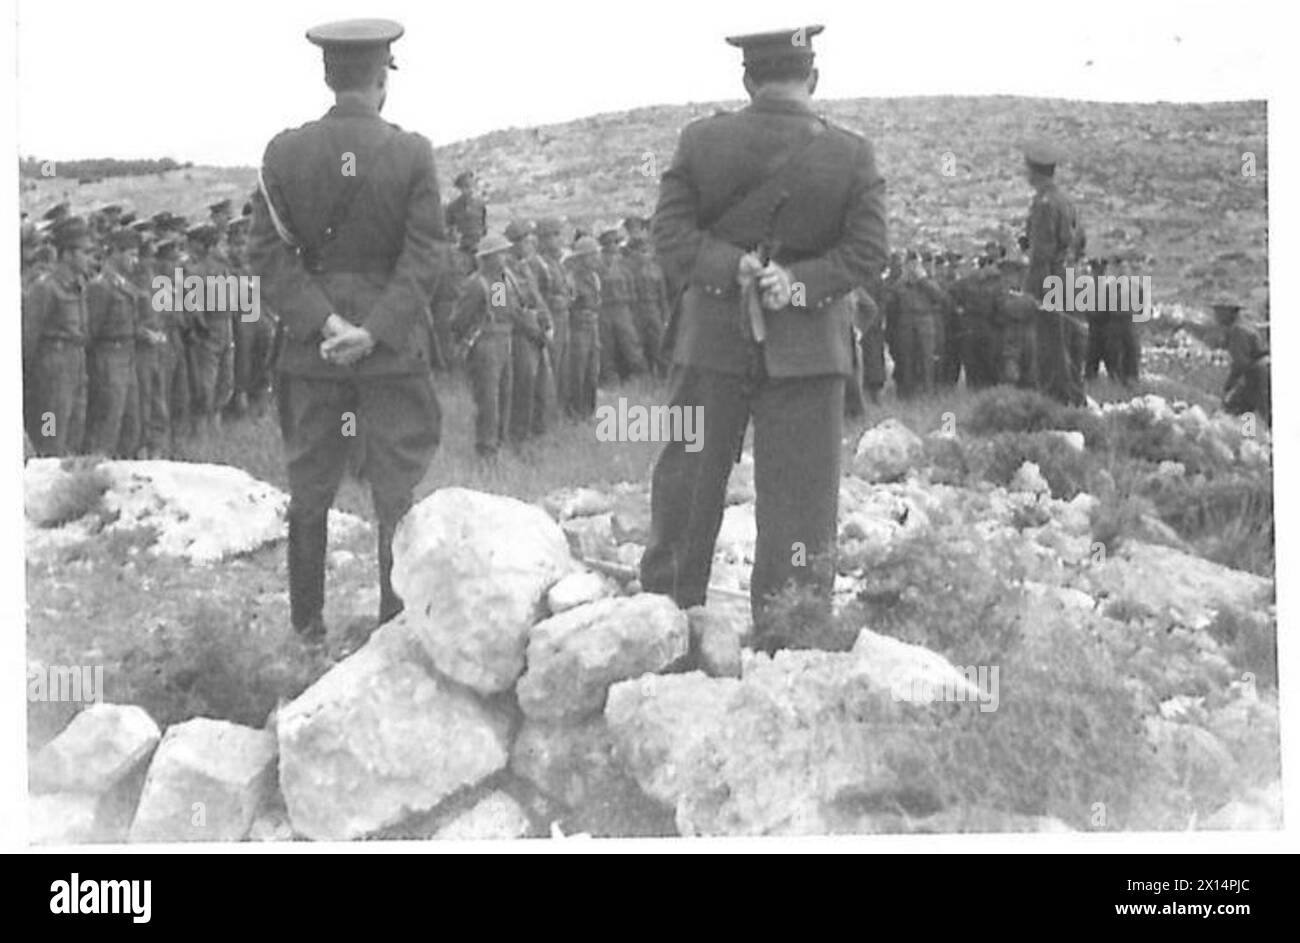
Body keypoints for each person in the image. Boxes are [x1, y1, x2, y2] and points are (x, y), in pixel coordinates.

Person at [639, 24, 888, 646]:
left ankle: (663, 620)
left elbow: (669, 239)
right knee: (801, 500)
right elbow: (867, 251)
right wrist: (797, 283)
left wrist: (732, 267)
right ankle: (792, 631)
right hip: (808, 351)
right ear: (814, 77)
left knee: (689, 481)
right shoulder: (852, 154)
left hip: (711, 341)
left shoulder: (700, 141)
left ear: (747, 79)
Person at [248, 17, 447, 643]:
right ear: (383, 76)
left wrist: (325, 321)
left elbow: (267, 256)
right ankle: (394, 633)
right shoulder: (412, 152)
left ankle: (306, 632)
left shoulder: (283, 152)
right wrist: (376, 328)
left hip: (314, 351)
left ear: (328, 75)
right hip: (388, 355)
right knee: (395, 492)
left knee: (309, 492)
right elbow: (425, 256)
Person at [23, 215, 95, 456]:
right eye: (84, 252)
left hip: (75, 362)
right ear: (67, 254)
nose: (89, 258)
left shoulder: (79, 285)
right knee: (51, 429)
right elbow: (29, 337)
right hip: (52, 368)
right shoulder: (45, 287)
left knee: (75, 430)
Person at [1021, 140, 1086, 405]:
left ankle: (1057, 405)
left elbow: (1041, 254)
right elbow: (1079, 241)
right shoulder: (1066, 201)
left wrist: (1030, 290)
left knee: (1051, 348)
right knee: (1068, 344)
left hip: (1051, 281)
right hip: (1068, 278)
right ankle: (1074, 400)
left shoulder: (1044, 203)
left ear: (1033, 171)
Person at [450, 233, 519, 457]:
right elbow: (459, 320)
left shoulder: (500, 281)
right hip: (485, 345)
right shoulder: (476, 284)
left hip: (502, 341)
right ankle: (487, 449)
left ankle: (500, 442)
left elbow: (501, 311)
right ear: (488, 257)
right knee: (488, 400)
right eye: (500, 253)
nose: (505, 257)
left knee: (504, 396)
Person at [1213, 298, 1270, 426]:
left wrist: (1228, 386)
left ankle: (1249, 439)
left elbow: (1241, 364)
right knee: (1242, 408)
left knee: (1235, 407)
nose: (1215, 314)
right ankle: (1249, 439)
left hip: (1258, 373)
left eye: (1218, 310)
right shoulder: (1244, 324)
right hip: (1259, 371)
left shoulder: (1237, 330)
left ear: (1229, 312)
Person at [564, 235, 603, 418]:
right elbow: (568, 304)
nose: (596, 259)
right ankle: (575, 411)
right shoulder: (571, 278)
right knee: (577, 370)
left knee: (592, 370)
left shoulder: (594, 277)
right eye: (592, 255)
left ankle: (588, 411)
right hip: (578, 327)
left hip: (592, 325)